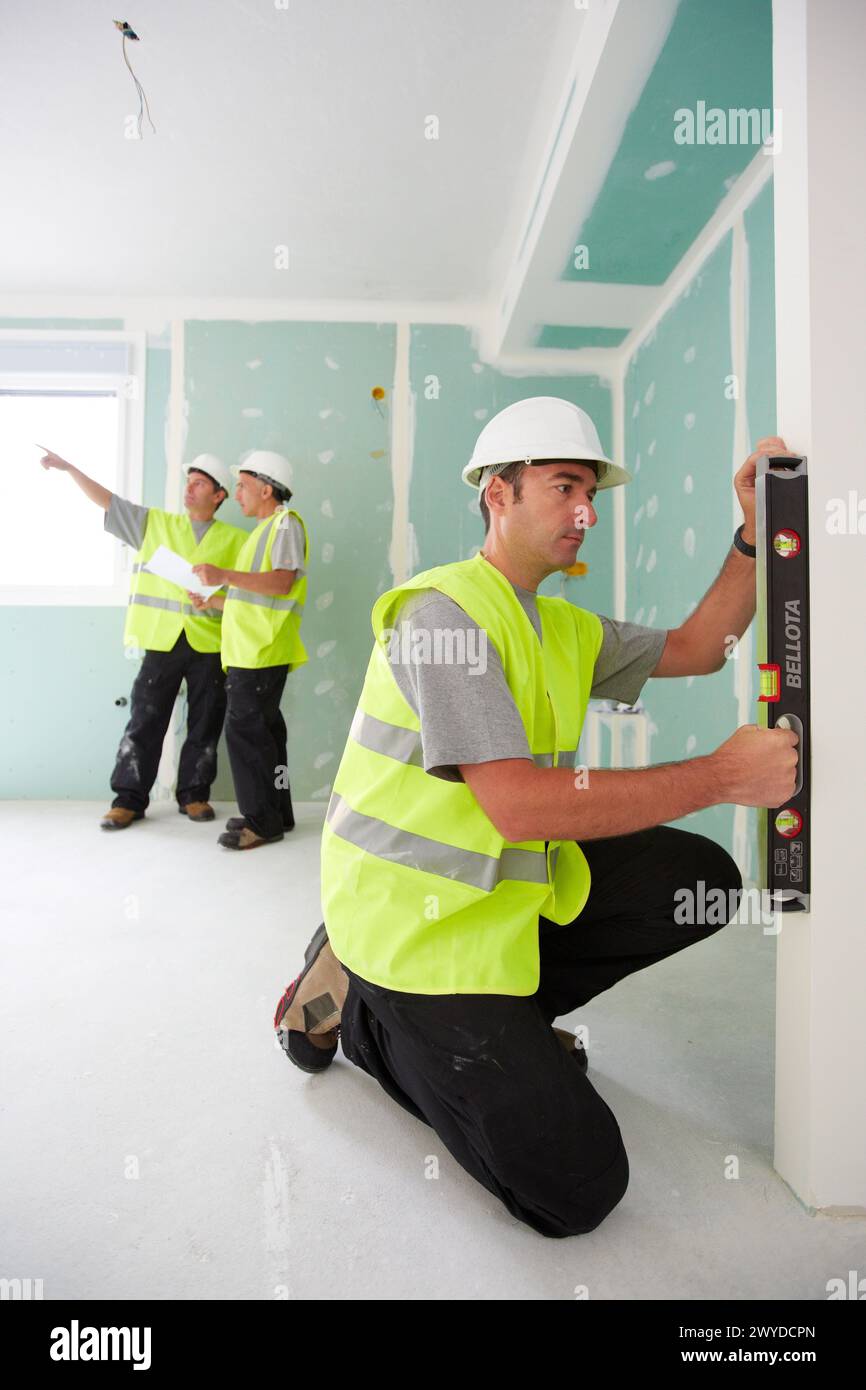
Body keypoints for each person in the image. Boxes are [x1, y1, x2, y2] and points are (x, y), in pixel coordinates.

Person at [273, 398, 799, 1238]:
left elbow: (701, 648)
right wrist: (719, 776)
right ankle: (365, 1011)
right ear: (498, 494)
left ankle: (505, 1025)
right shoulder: (440, 617)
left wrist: (751, 534)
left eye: (591, 492)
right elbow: (518, 808)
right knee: (576, 1189)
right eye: (562, 487)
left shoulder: (562, 627)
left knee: (698, 878)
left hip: (497, 907)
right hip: (412, 930)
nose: (585, 513)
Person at [40, 448, 247, 830]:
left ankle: (195, 794)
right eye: (188, 482)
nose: (189, 489)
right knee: (145, 720)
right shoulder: (156, 525)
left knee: (206, 722)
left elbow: (245, 596)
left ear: (219, 495)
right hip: (162, 640)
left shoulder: (238, 541)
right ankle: (129, 799)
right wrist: (70, 468)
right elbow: (109, 503)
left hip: (210, 643)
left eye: (199, 483)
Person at [191, 450, 308, 851]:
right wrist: (216, 601)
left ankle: (261, 822)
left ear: (266, 487)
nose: (237, 493)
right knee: (267, 737)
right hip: (255, 651)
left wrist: (222, 575)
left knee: (247, 737)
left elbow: (281, 584)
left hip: (260, 653)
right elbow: (253, 597)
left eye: (241, 485)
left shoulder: (285, 524)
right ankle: (275, 811)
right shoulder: (263, 532)